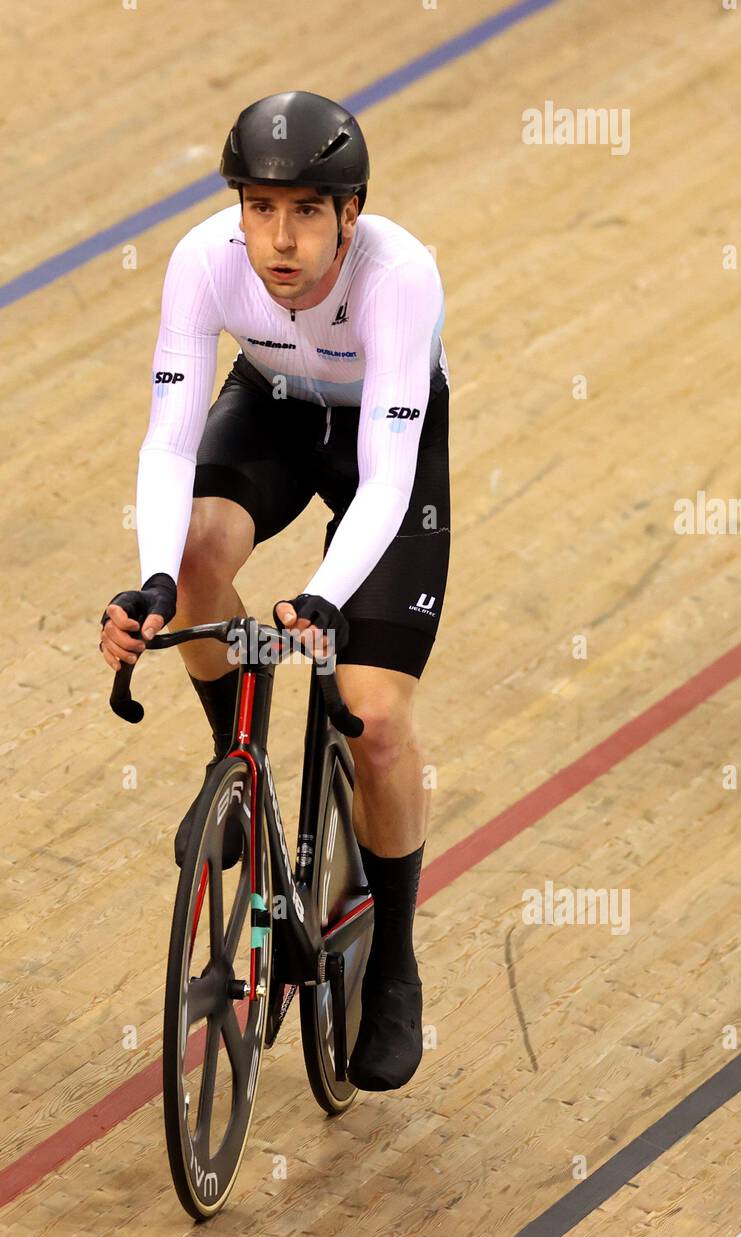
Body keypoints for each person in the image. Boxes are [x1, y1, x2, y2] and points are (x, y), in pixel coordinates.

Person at [100, 91, 451, 1090]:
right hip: (274, 408)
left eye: (306, 211)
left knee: (372, 717)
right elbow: (169, 442)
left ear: (351, 211)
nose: (280, 239)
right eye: (261, 208)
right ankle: (237, 771)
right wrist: (160, 575)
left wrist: (329, 596)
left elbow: (385, 481)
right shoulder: (205, 260)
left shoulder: (399, 276)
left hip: (388, 447)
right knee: (204, 557)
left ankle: (392, 963)